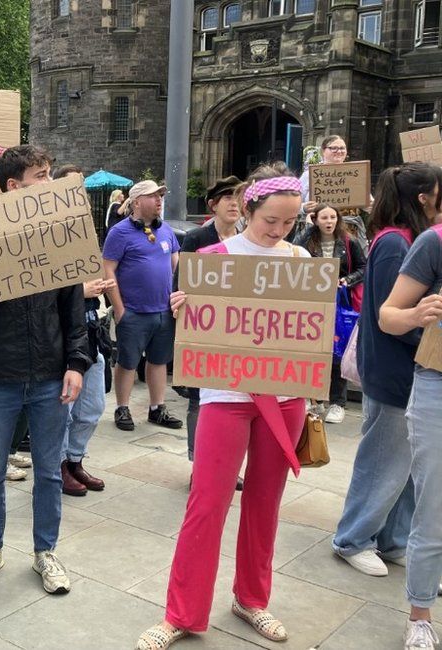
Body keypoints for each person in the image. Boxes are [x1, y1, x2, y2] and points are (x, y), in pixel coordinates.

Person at [136, 163, 309, 650]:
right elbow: (191, 331)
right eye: (270, 220)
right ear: (248, 208)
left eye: (289, 222)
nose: (278, 231)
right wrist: (183, 310)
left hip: (285, 397)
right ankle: (181, 612)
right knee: (206, 504)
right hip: (225, 398)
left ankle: (252, 598)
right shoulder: (213, 256)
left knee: (265, 503)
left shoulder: (300, 257)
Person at [0, 144, 90, 594]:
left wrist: (76, 362)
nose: (51, 183)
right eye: (42, 175)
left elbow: (74, 311)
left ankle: (44, 553)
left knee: (49, 470)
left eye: (51, 173)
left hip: (52, 374)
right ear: (15, 186)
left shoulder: (62, 237)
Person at [332, 163, 439, 582]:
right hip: (396, 369)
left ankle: (392, 540)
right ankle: (353, 538)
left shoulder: (406, 238)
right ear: (423, 198)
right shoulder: (396, 242)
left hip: (412, 369)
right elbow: (389, 315)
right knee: (382, 460)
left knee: (409, 465)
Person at [378, 170, 442, 650]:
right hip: (436, 383)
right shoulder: (431, 244)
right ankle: (420, 613)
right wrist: (417, 315)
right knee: (433, 506)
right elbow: (388, 315)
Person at [51, 165, 112, 497]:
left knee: (92, 407)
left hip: (91, 330)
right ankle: (60, 465)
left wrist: (97, 288)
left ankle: (75, 460)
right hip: (63, 337)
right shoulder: (45, 237)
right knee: (65, 408)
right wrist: (80, 291)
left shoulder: (85, 234)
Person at [103, 180, 183, 432]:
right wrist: (119, 309)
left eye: (161, 196)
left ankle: (157, 407)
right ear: (136, 202)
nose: (159, 200)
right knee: (127, 361)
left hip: (163, 311)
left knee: (159, 361)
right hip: (134, 311)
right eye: (153, 196)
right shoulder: (119, 232)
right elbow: (108, 270)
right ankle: (122, 407)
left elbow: (175, 266)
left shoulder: (167, 231)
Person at [177, 175, 242, 468]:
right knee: (198, 398)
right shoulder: (197, 238)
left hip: (239, 330)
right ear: (213, 205)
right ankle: (199, 464)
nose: (234, 204)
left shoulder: (247, 239)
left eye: (237, 198)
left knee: (234, 399)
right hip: (204, 328)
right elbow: (182, 284)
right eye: (227, 198)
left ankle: (228, 464)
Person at [294, 204, 366, 423]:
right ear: (316, 219)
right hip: (312, 303)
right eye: (324, 217)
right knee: (312, 351)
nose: (329, 221)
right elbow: (293, 254)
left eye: (333, 217)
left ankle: (337, 402)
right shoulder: (307, 239)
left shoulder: (348, 241)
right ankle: (313, 400)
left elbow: (364, 267)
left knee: (337, 350)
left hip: (339, 303)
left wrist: (347, 280)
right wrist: (306, 228)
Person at [299, 135, 369, 249]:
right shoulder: (309, 175)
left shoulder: (354, 173)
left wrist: (369, 205)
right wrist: (303, 208)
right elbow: (293, 204)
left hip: (349, 235)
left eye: (342, 148)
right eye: (334, 148)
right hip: (317, 234)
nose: (339, 151)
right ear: (323, 151)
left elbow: (366, 203)